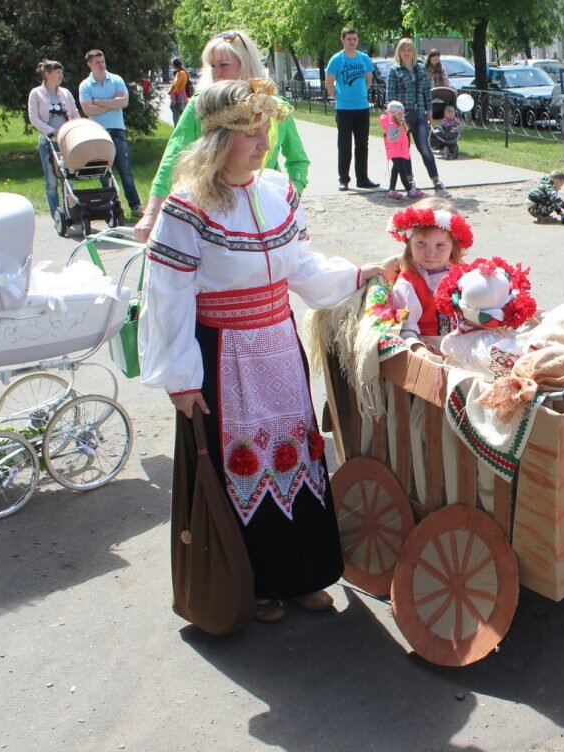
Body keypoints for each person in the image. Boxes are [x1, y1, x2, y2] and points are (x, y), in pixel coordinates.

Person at [139, 78, 394, 624]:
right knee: (241, 463)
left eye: (264, 132)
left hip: (279, 344)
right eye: (249, 135)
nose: (261, 143)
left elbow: (300, 267)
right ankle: (251, 583)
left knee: (297, 454)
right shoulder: (186, 209)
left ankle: (302, 575)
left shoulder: (277, 188)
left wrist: (355, 274)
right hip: (222, 354)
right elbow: (168, 297)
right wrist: (181, 379)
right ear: (216, 141)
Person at [134, 30, 311, 243]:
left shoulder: (274, 107)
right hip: (214, 211)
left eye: (224, 65)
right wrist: (152, 212)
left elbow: (298, 160)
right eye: (212, 65)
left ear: (244, 64)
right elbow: (174, 156)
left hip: (266, 213)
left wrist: (289, 200)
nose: (216, 72)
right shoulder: (200, 105)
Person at [387, 200, 474, 356]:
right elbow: (405, 328)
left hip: (462, 339)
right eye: (421, 243)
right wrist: (419, 349)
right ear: (409, 242)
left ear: (453, 246)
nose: (430, 253)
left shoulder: (459, 272)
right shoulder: (408, 284)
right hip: (429, 345)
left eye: (440, 245)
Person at [78, 49, 142, 217]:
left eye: (103, 61)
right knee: (104, 171)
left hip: (117, 130)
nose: (101, 65)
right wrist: (112, 102)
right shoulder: (85, 85)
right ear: (89, 65)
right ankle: (110, 205)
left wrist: (98, 102)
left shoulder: (116, 80)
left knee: (125, 169)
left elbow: (124, 101)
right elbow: (88, 109)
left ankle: (135, 205)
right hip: (97, 133)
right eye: (97, 62)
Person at [387, 38, 447, 193]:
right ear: (399, 52)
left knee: (424, 147)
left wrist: (429, 110)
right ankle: (410, 181)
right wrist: (394, 116)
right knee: (404, 151)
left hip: (419, 113)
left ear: (413, 51)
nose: (407, 53)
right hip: (403, 116)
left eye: (409, 49)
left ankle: (436, 179)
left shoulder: (420, 69)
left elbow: (427, 92)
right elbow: (390, 96)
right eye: (403, 50)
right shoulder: (395, 70)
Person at [325, 27, 379, 192]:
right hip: (344, 109)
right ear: (343, 40)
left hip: (362, 108)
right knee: (345, 145)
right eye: (349, 39)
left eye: (355, 39)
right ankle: (344, 179)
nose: (352, 42)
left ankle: (362, 178)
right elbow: (329, 83)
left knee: (362, 144)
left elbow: (368, 79)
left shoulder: (364, 59)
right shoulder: (337, 59)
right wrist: (337, 96)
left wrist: (362, 93)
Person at [26, 59, 79, 221]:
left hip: (66, 141)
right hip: (47, 142)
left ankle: (72, 212)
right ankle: (57, 215)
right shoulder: (36, 94)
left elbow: (75, 114)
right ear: (47, 74)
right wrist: (52, 131)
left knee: (69, 178)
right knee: (51, 180)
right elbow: (33, 118)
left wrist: (73, 128)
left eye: (61, 73)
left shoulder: (65, 93)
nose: (60, 76)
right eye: (57, 73)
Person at [379, 101, 423, 200]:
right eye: (399, 113)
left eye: (403, 113)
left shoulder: (398, 122)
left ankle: (391, 190)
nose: (402, 115)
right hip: (395, 151)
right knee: (402, 171)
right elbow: (391, 138)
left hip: (400, 150)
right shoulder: (391, 125)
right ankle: (410, 190)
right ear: (392, 113)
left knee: (395, 170)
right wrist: (400, 131)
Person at [168, 57, 189, 125]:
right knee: (180, 114)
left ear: (174, 65)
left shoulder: (181, 73)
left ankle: (177, 130)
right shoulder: (181, 73)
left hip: (179, 96)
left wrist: (170, 91)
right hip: (180, 95)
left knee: (177, 114)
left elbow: (175, 84)